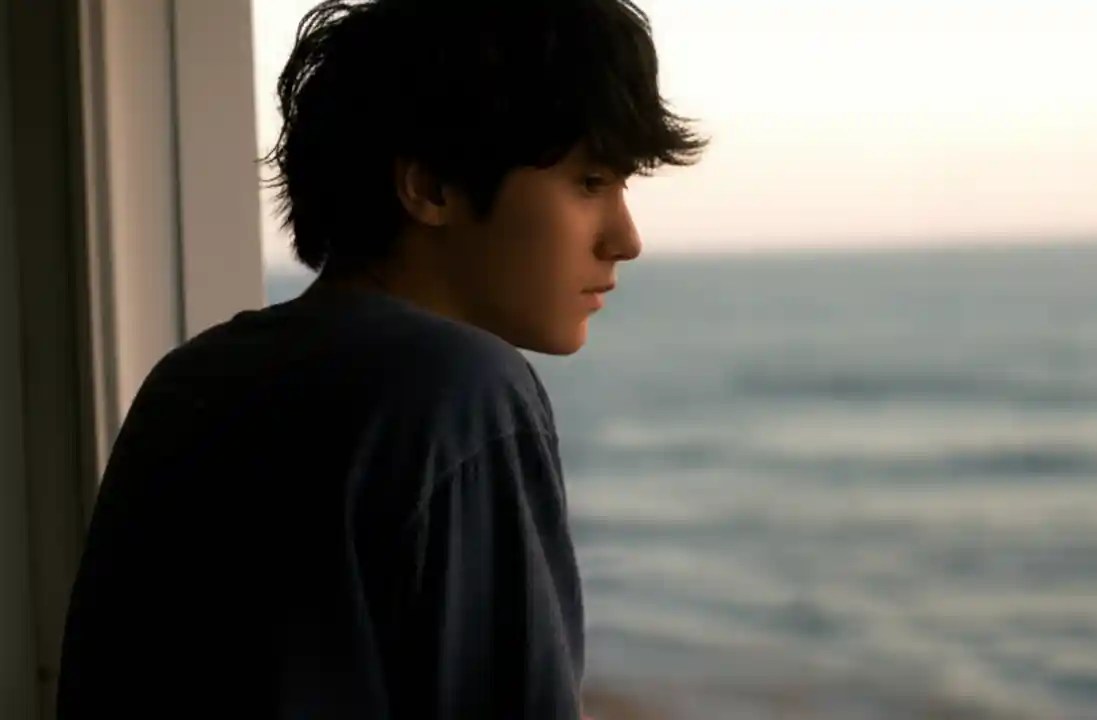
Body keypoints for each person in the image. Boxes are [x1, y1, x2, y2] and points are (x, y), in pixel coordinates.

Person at [56, 0, 705, 717]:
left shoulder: (193, 379)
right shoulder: (459, 388)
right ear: (429, 185)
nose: (625, 237)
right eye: (589, 184)